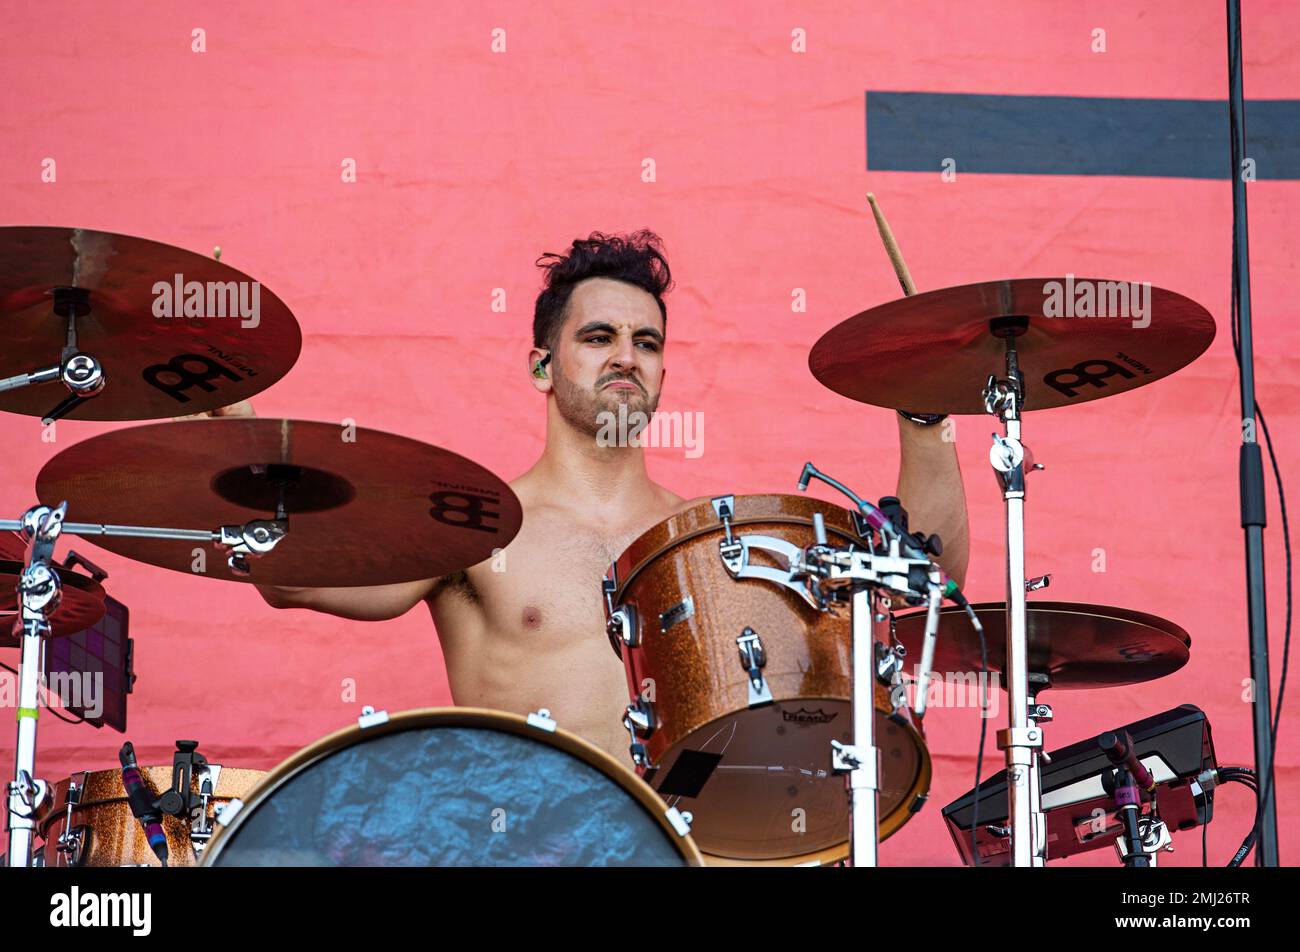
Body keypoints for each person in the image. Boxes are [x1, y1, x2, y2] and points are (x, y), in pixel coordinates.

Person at [203, 230, 970, 762]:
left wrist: (927, 410)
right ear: (543, 367)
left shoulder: (709, 543)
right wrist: (226, 416)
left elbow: (928, 586)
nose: (626, 358)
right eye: (598, 337)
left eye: (648, 343)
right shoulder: (475, 523)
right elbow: (287, 573)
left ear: (665, 376)